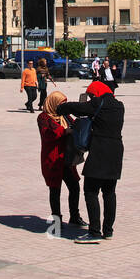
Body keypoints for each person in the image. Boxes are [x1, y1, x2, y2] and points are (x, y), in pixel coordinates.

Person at [56, 81, 124, 240]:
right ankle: (108, 231)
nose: (91, 98)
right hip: (116, 151)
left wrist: (62, 108)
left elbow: (78, 109)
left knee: (91, 191)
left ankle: (94, 232)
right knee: (109, 192)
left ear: (97, 93)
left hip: (100, 151)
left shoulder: (98, 103)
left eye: (92, 95)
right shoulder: (120, 105)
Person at [37, 91, 86, 231]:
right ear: (53, 103)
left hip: (66, 158)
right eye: (61, 104)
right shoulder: (43, 117)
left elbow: (75, 124)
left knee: (74, 186)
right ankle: (56, 220)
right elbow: (49, 134)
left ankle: (74, 216)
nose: (62, 107)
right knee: (55, 189)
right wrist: (66, 132)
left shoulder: (64, 116)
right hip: (52, 158)